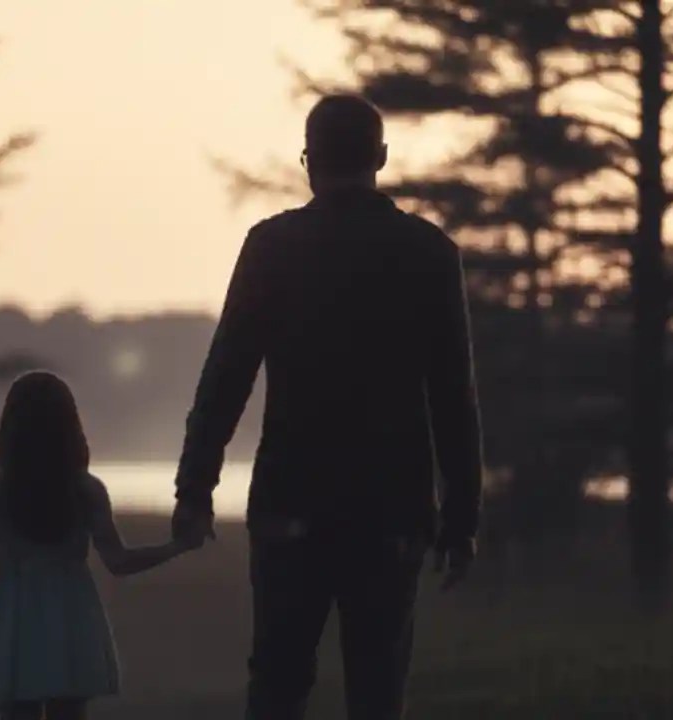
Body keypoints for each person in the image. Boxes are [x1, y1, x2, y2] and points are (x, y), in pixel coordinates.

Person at [172, 94, 484, 719]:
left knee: (279, 683)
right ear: (382, 158)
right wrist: (461, 517)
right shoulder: (429, 253)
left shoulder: (270, 247)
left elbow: (225, 378)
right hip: (391, 511)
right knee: (377, 687)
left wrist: (195, 490)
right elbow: (453, 394)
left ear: (307, 162)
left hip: (292, 504)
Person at [0, 371, 200, 720]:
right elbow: (118, 561)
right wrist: (176, 546)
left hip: (12, 620)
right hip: (71, 617)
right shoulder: (86, 490)